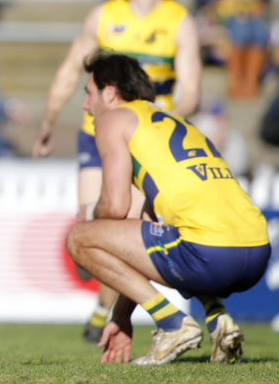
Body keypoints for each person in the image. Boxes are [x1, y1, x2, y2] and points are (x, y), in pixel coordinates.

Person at [32, 0, 203, 344]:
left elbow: (192, 93)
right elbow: (70, 69)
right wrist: (49, 122)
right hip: (98, 138)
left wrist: (159, 121)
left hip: (147, 144)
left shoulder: (179, 23)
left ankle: (119, 313)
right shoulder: (104, 16)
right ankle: (106, 302)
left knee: (125, 228)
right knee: (91, 226)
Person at [67, 52, 266, 365]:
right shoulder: (174, 123)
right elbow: (144, 248)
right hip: (257, 252)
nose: (85, 105)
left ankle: (174, 325)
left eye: (89, 93)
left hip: (211, 255)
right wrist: (122, 316)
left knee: (79, 238)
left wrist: (89, 213)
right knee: (173, 240)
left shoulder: (113, 120)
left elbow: (115, 207)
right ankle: (218, 317)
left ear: (110, 93)